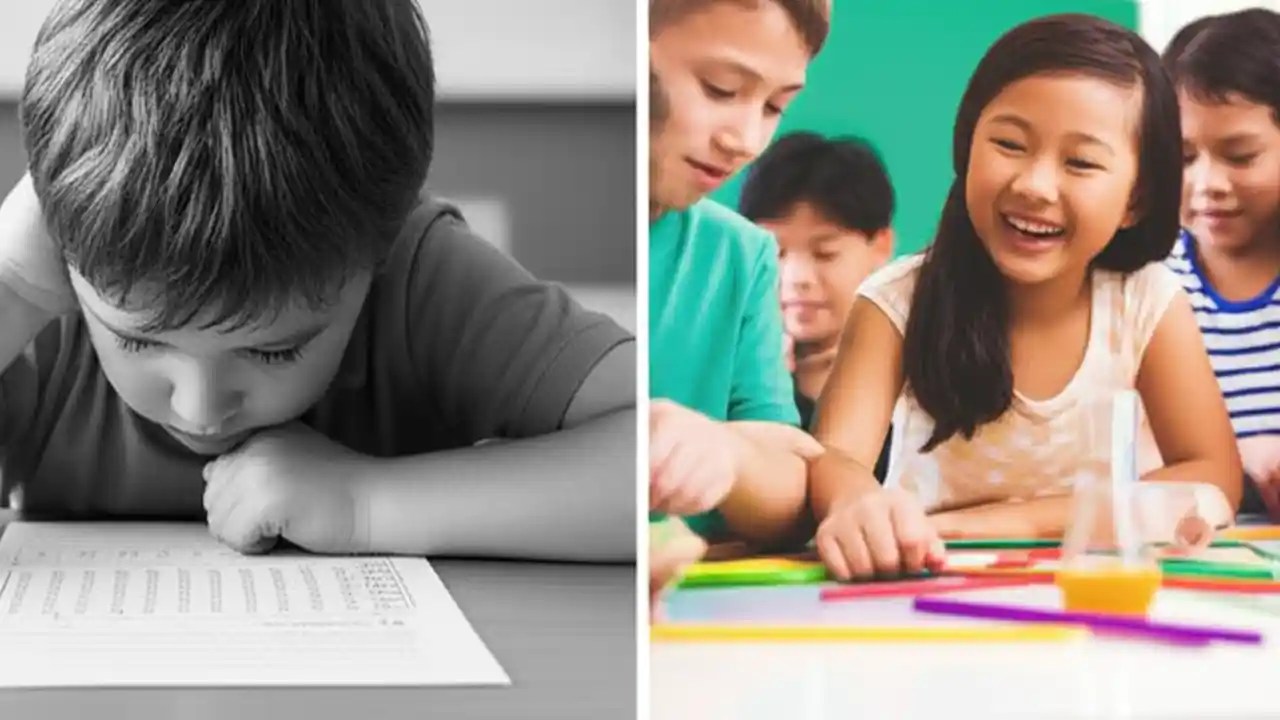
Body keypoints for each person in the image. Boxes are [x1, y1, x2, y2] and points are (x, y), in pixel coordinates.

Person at [0, 0, 635, 560]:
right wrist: (12, 287)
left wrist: (366, 504)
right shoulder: (43, 288)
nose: (200, 409)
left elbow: (663, 449)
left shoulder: (418, 275)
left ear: (378, 253)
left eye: (275, 350)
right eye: (138, 340)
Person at [808, 14, 1241, 580]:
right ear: (967, 149)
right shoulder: (896, 303)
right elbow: (831, 460)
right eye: (1009, 144)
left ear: (1136, 198)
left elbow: (1211, 477)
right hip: (929, 592)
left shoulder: (1145, 301)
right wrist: (852, 504)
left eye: (1080, 162)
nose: (1035, 185)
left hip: (1093, 597)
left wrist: (995, 522)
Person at [648, 0, 829, 549]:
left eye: (774, 106)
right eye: (721, 89)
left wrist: (727, 454)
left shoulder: (741, 253)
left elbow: (793, 490)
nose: (746, 140)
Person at [1163, 9, 1280, 518]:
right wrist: (1234, 460)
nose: (1207, 182)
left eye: (1240, 156)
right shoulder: (1152, 281)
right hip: (1202, 560)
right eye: (1184, 158)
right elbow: (1126, 448)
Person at [740, 131, 895, 480]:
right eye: (774, 253)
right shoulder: (728, 376)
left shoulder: (915, 381)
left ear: (881, 246)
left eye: (826, 253)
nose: (796, 277)